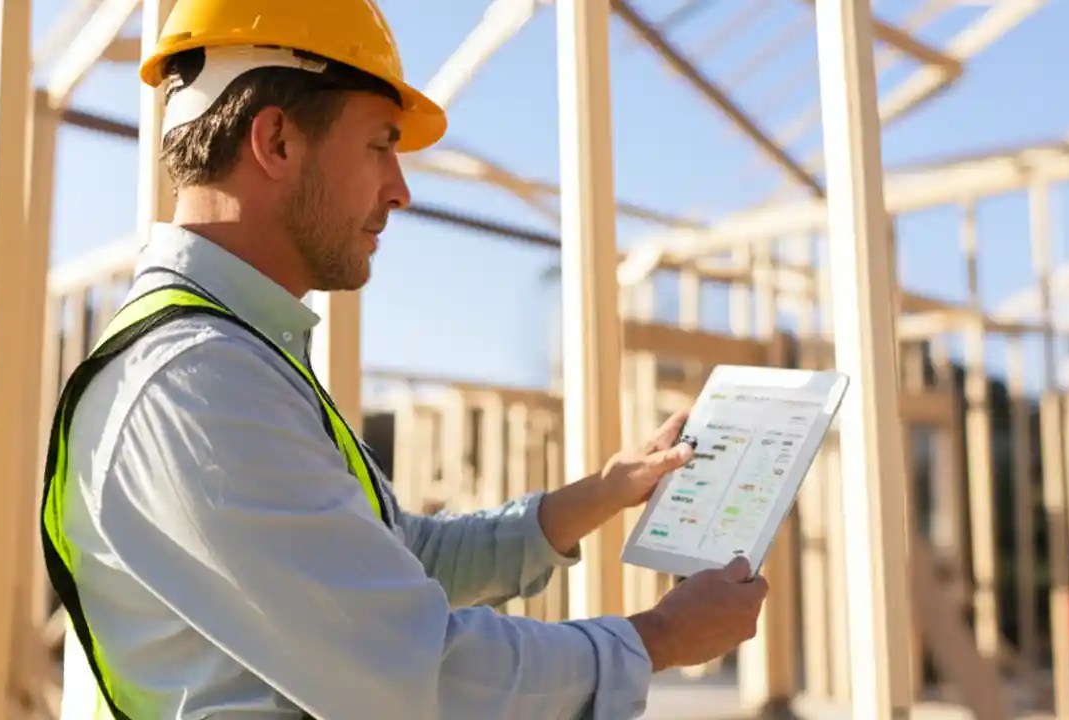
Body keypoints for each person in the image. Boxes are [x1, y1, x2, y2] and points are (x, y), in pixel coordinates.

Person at [40, 0, 770, 718]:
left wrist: (604, 492)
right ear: (278, 142)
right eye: (379, 144)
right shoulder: (198, 382)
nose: (400, 188)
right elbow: (408, 677)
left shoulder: (236, 360)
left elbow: (404, 561)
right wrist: (658, 638)